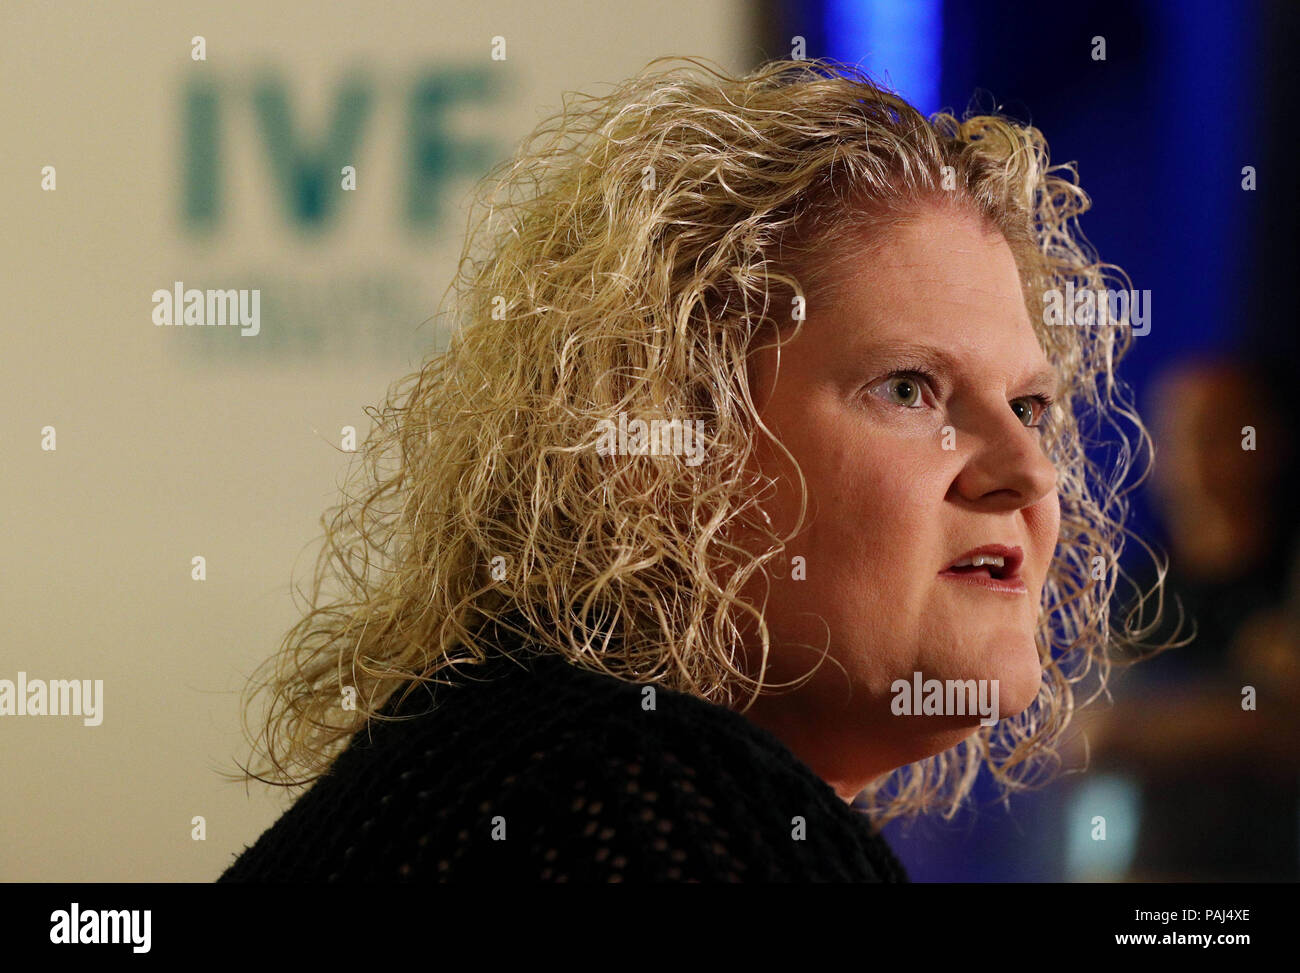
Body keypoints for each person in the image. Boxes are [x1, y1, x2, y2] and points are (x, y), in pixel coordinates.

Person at [217, 55, 1164, 882]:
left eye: (1028, 407)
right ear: (665, 439)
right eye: (909, 389)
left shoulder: (507, 762)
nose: (1029, 471)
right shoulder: (650, 803)